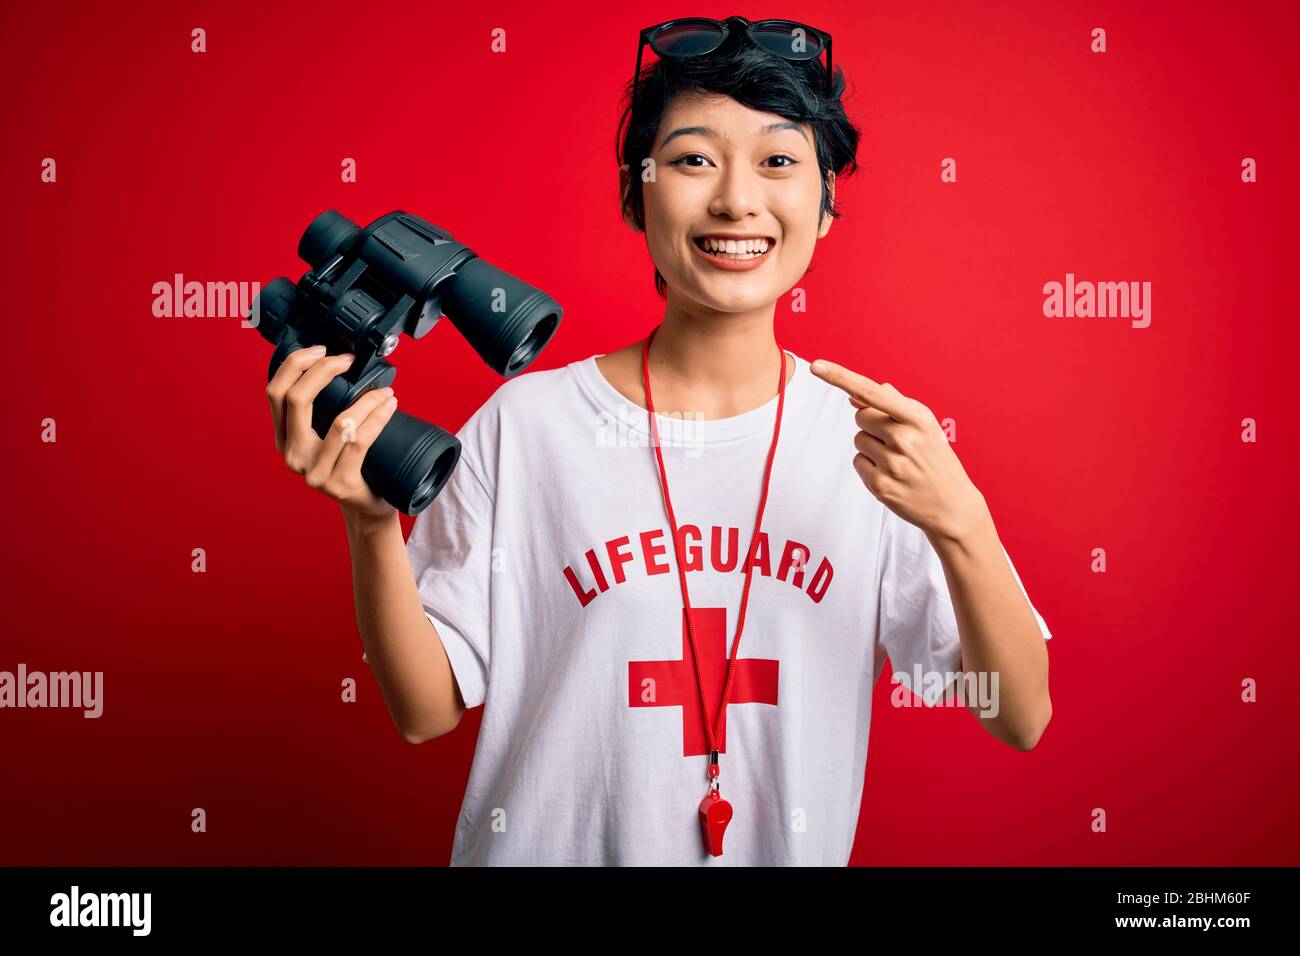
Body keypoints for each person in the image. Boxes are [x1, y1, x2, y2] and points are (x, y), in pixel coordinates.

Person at [265, 17, 1052, 866]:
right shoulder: (526, 425)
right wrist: (371, 524)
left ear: (826, 209)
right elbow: (425, 710)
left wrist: (962, 522)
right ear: (636, 197)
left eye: (779, 161)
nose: (737, 200)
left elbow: (1019, 715)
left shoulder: (878, 449)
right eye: (692, 159)